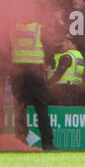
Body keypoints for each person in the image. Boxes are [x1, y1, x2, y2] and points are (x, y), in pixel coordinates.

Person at [10, 17, 55, 150]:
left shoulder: (13, 27)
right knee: (41, 107)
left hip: (18, 73)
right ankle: (47, 144)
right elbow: (49, 47)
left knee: (20, 108)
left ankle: (20, 142)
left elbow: (7, 47)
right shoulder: (38, 27)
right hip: (35, 72)